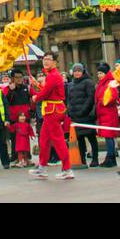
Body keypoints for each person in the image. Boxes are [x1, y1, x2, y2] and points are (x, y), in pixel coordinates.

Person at [30, 52, 73, 180]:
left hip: (53, 111)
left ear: (54, 62)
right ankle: (42, 168)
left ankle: (67, 169)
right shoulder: (51, 75)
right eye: (44, 59)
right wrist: (36, 85)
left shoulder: (53, 75)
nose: (46, 61)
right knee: (44, 140)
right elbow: (46, 90)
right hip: (51, 110)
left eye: (49, 59)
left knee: (58, 140)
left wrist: (35, 97)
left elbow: (45, 92)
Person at [66, 63, 97, 167]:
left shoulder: (88, 82)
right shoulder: (71, 84)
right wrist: (69, 110)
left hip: (86, 115)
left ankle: (95, 159)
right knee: (80, 139)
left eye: (79, 71)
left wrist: (84, 110)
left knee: (91, 137)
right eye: (75, 71)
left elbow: (90, 97)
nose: (77, 73)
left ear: (83, 71)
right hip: (75, 116)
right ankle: (82, 160)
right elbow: (69, 99)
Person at [93, 63, 120, 168]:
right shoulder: (102, 83)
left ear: (105, 73)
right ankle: (110, 157)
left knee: (109, 136)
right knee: (107, 136)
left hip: (108, 112)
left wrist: (102, 101)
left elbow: (113, 96)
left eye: (101, 73)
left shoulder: (110, 83)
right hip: (103, 113)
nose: (99, 75)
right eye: (98, 73)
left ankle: (110, 157)